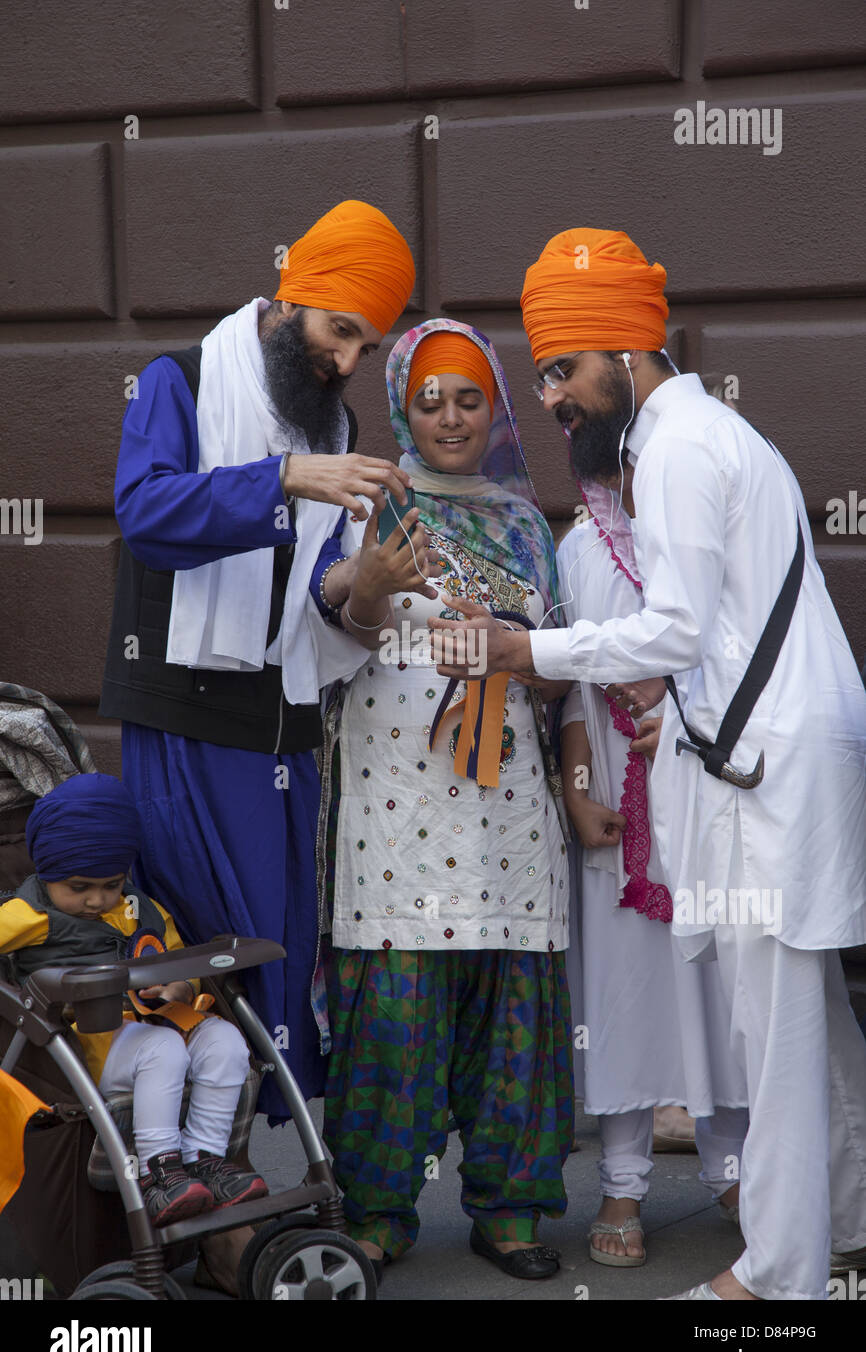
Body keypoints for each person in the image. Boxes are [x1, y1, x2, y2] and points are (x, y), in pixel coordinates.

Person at [429, 227, 866, 1301]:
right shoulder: (711, 434)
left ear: (625, 352)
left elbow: (670, 630)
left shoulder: (670, 447)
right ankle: (847, 1220)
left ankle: (776, 1281)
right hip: (781, 754)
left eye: (562, 373)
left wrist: (523, 647)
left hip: (769, 769)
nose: (550, 401)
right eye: (538, 379)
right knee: (814, 1022)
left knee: (777, 1036)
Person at [99, 200, 416, 1122]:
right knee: (204, 960)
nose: (347, 363)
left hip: (285, 729)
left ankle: (235, 1186)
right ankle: (189, 1176)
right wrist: (280, 479)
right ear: (293, 299)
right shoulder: (180, 379)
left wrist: (366, 576)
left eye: (366, 347)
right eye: (339, 332)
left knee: (274, 958)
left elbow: (316, 585)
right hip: (185, 718)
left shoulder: (337, 429)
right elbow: (146, 513)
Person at [313, 319, 575, 1280]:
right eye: (431, 401)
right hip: (395, 809)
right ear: (402, 410)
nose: (450, 417)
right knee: (396, 1009)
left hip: (505, 807)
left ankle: (510, 1210)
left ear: (493, 406)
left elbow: (560, 669)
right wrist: (372, 587)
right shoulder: (368, 502)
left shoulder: (520, 522)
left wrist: (518, 652)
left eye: (468, 398)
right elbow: (335, 613)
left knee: (511, 1001)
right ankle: (378, 1212)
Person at [559, 461, 747, 1267]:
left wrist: (678, 712)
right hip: (614, 799)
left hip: (707, 798)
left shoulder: (712, 535)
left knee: (718, 992)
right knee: (623, 996)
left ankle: (735, 1168)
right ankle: (624, 1182)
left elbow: (738, 657)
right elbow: (566, 684)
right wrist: (576, 790)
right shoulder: (577, 548)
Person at [0, 773, 267, 1227]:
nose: (97, 900)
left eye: (110, 884)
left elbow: (179, 959)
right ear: (47, 875)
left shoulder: (141, 910)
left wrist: (182, 987)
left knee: (225, 1038)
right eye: (79, 888)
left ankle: (204, 1158)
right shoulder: (29, 914)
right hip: (94, 1045)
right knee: (160, 1049)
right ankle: (158, 1172)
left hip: (156, 1024)